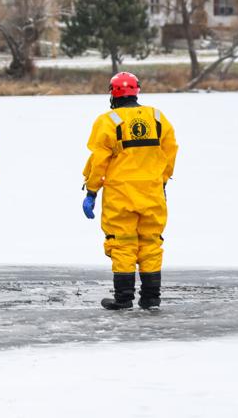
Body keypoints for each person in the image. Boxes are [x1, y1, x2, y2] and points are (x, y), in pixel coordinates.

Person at [81, 72, 177, 310]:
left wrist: (91, 191)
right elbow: (170, 152)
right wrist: (161, 181)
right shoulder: (157, 118)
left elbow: (98, 161)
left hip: (120, 195)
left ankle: (123, 299)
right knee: (150, 243)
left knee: (122, 243)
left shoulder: (108, 121)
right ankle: (151, 298)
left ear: (113, 93)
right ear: (137, 91)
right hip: (152, 193)